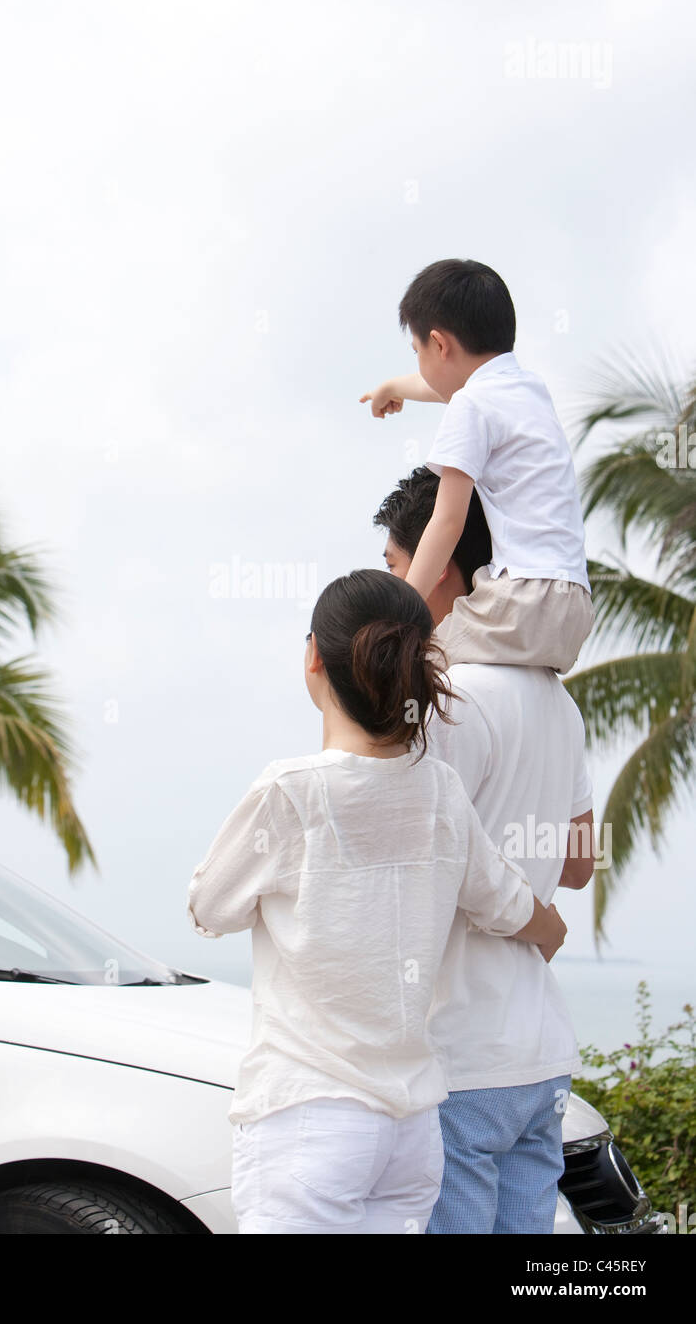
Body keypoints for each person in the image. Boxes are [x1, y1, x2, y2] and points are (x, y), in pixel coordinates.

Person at [186, 568, 567, 1235]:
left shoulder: (291, 791)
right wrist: (551, 929)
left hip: (311, 1115)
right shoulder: (441, 792)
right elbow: (508, 906)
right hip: (411, 1129)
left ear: (314, 657)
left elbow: (208, 908)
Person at [373, 467, 595, 1234]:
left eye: (401, 569)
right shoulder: (557, 700)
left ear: (450, 572)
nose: (397, 592)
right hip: (539, 1056)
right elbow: (578, 864)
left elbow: (419, 863)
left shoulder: (452, 703)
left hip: (461, 1056)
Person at [361, 258, 594, 675]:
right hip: (573, 606)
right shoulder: (527, 388)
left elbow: (447, 522)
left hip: (522, 598)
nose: (419, 364)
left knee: (413, 665)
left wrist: (404, 615)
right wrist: (394, 387)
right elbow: (449, 386)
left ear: (439, 344)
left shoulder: (470, 404)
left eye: (417, 351)